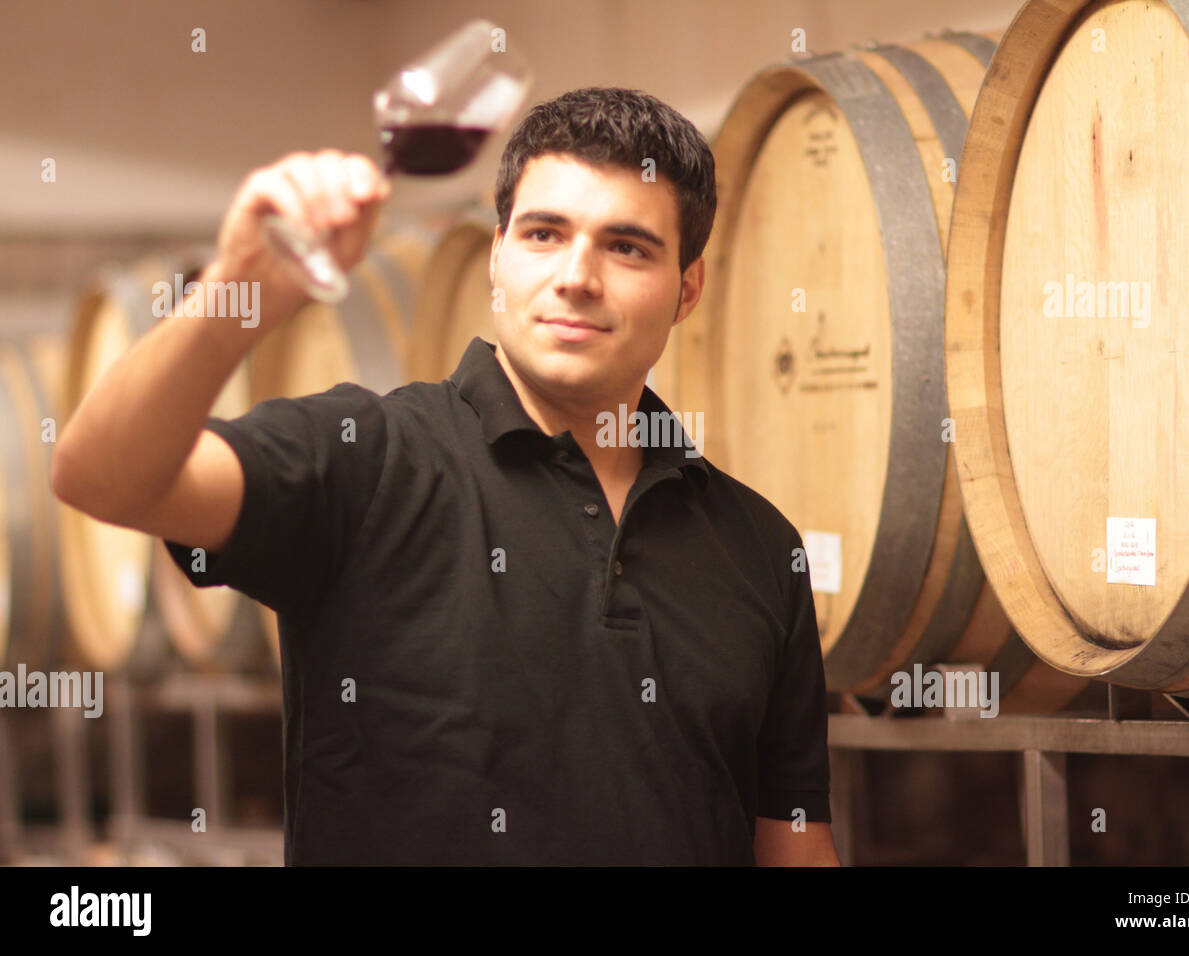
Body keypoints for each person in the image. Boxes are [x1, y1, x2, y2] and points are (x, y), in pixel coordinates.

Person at [52, 86, 838, 866]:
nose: (576, 276)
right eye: (543, 234)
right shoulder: (365, 458)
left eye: (626, 246)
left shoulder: (760, 549)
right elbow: (103, 479)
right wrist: (241, 286)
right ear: (496, 254)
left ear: (688, 290)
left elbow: (793, 845)